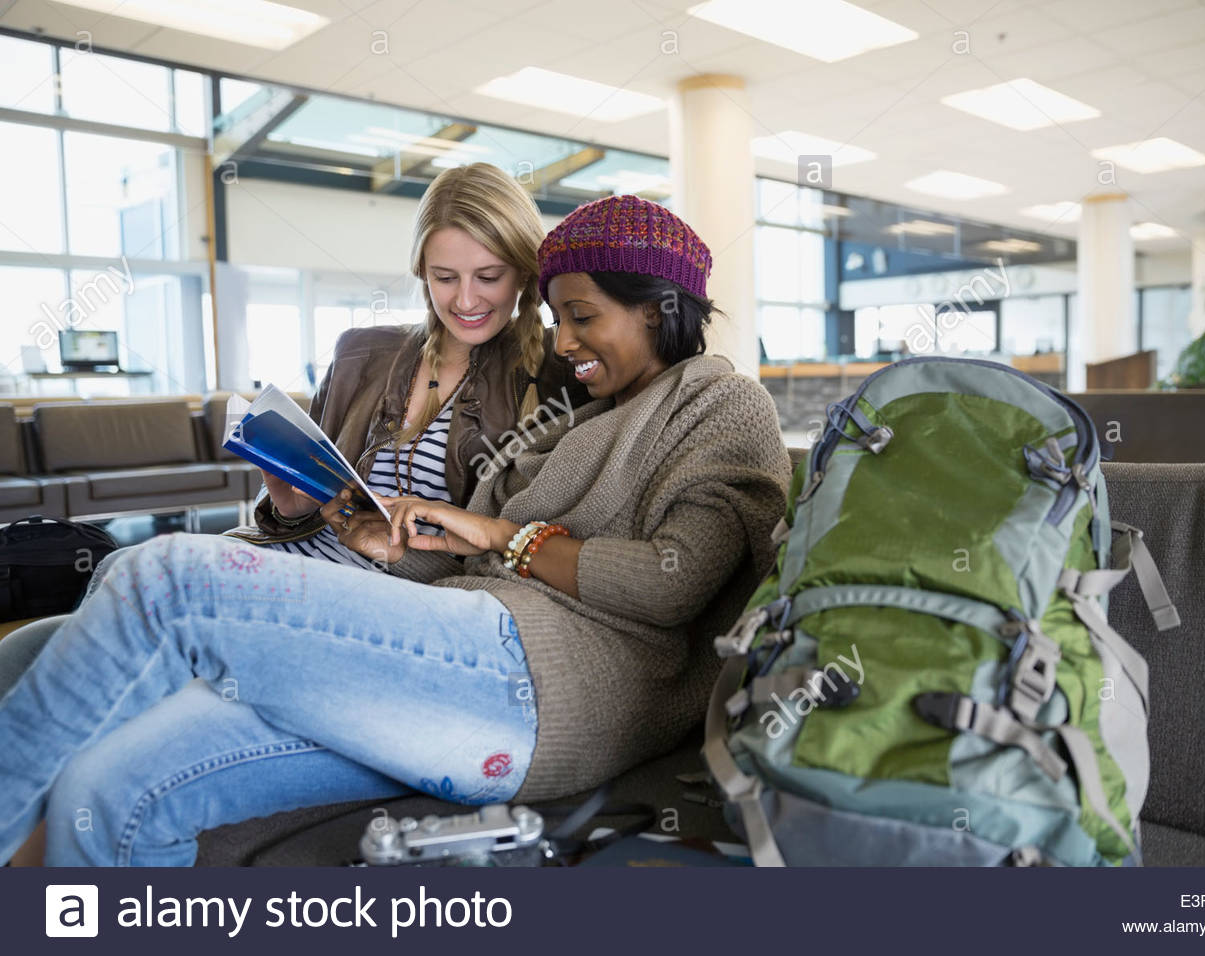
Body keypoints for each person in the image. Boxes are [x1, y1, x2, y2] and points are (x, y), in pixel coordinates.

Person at [0, 195, 790, 867]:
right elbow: (478, 567)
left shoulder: (723, 403)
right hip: (468, 666)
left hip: (548, 681)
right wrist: (393, 551)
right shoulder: (581, 422)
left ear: (660, 308)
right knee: (112, 788)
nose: (564, 341)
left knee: (161, 578)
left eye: (582, 317)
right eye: (557, 320)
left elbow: (672, 581)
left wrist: (498, 535)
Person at [244, 160, 587, 567]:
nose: (465, 301)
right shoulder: (357, 353)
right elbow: (288, 514)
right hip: (291, 557)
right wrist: (291, 508)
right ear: (422, 271)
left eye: (489, 277)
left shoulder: (560, 368)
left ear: (524, 273)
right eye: (445, 277)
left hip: (385, 584)